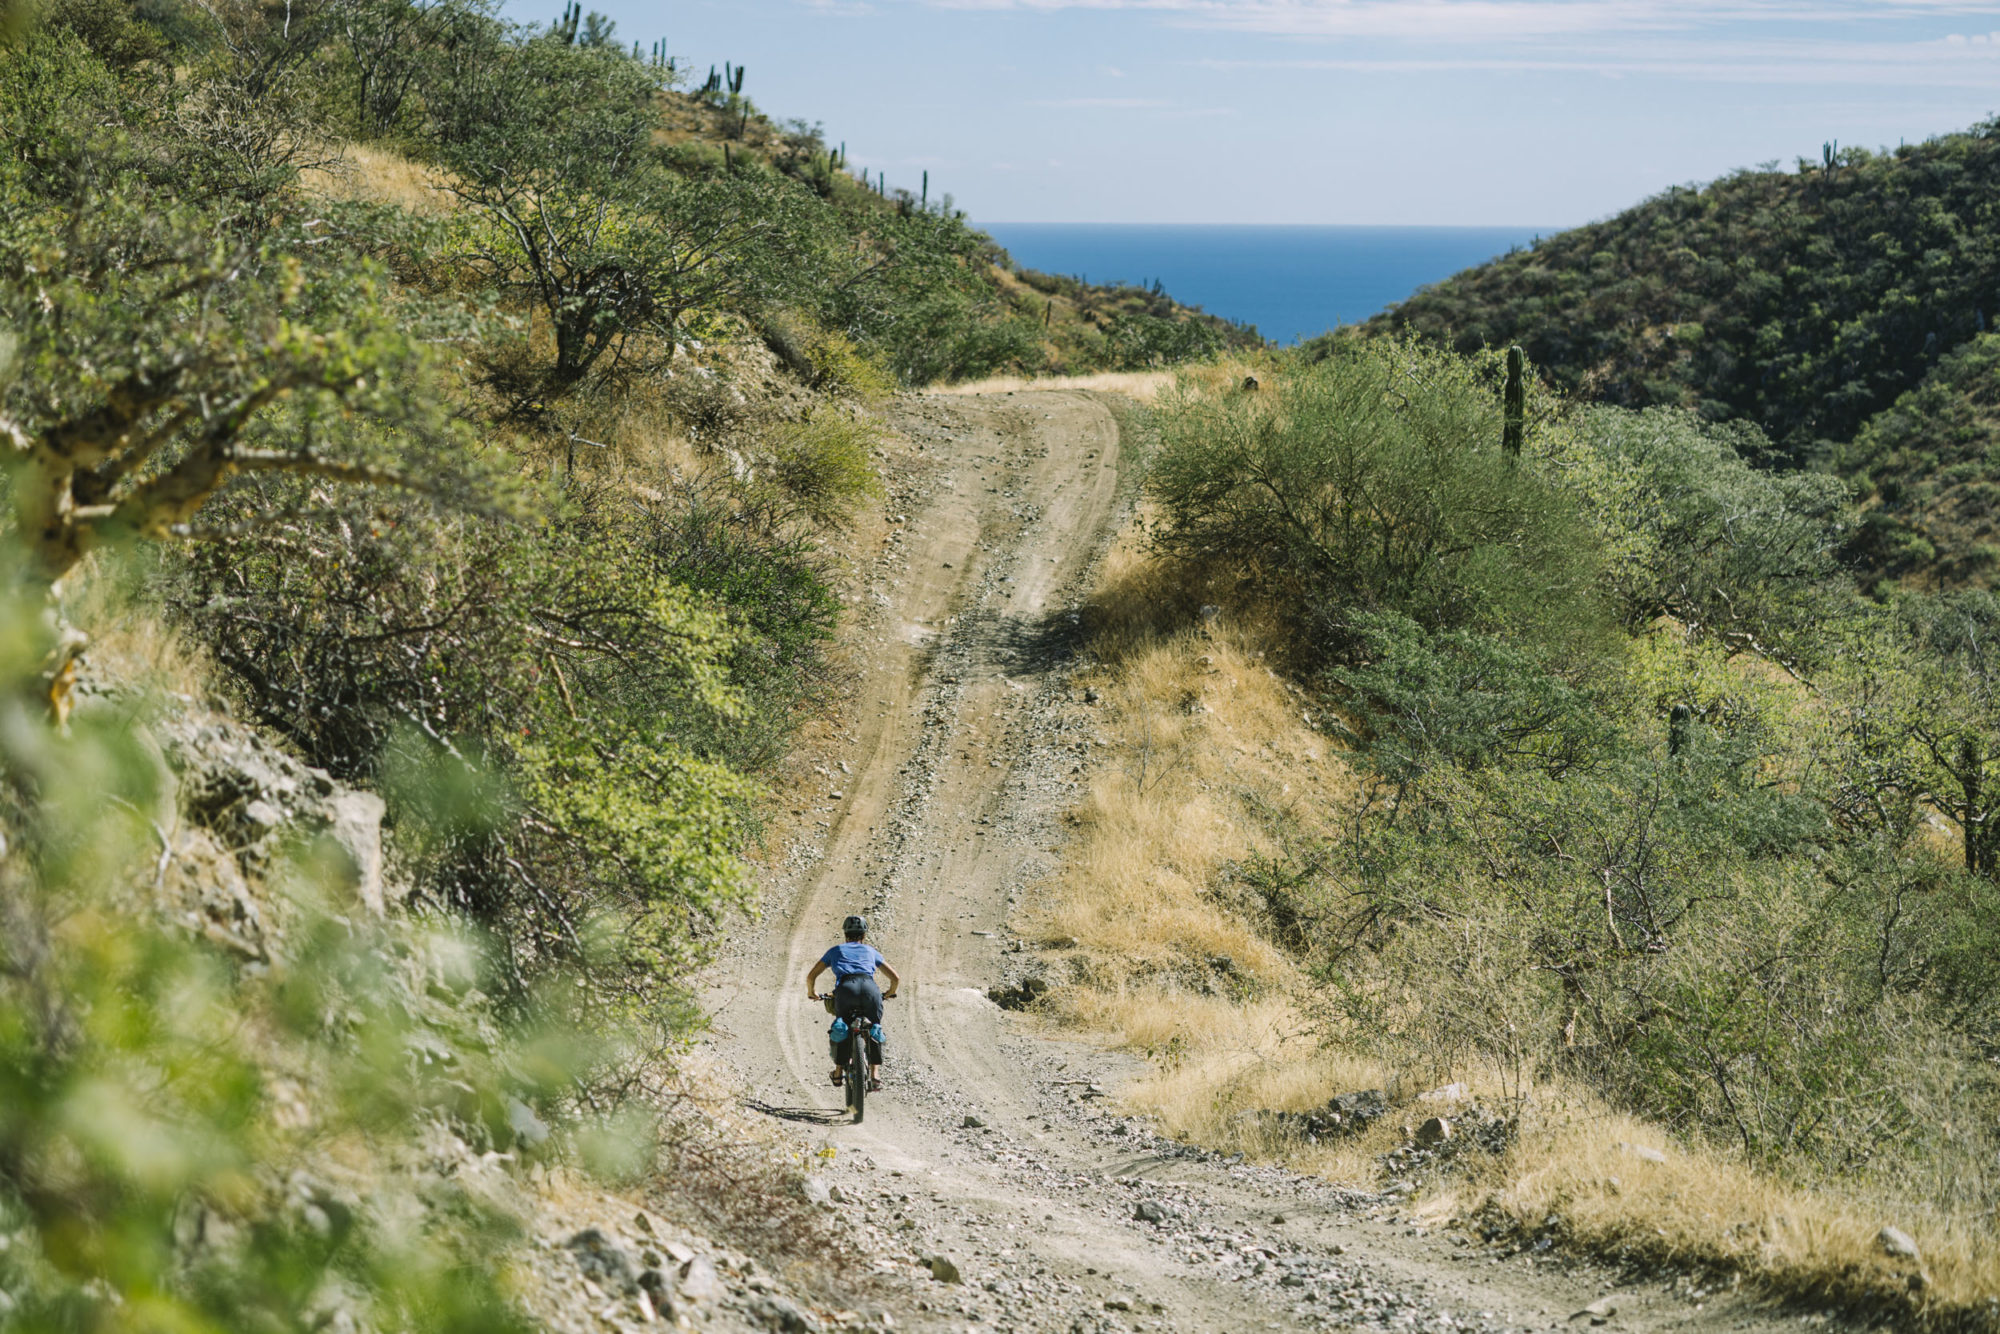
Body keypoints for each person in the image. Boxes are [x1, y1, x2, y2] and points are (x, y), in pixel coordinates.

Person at [805, 914, 899, 1091]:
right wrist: (890, 992)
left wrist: (812, 993)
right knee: (874, 1027)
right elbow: (895, 977)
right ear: (864, 935)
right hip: (871, 989)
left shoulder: (835, 950)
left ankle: (838, 1072)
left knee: (842, 1026)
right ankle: (875, 1075)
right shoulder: (871, 951)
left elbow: (811, 976)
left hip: (846, 989)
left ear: (845, 934)